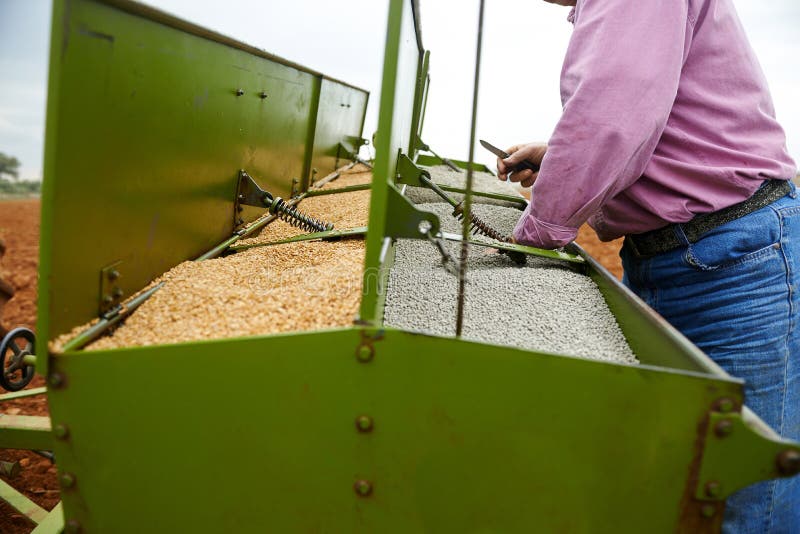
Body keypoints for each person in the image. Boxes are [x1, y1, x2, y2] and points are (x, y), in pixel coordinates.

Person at [497, 0, 799, 532]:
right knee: (678, 478)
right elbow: (645, 114)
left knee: (741, 492)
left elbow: (611, 119)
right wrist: (558, 155)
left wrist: (534, 234)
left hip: (733, 263)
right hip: (680, 255)